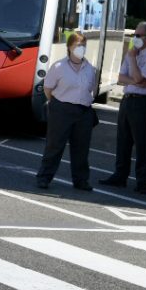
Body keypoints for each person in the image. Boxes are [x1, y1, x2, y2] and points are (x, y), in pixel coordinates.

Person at [101, 21, 146, 194]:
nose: (135, 38)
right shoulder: (131, 53)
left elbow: (141, 80)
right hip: (127, 98)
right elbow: (122, 77)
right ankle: (120, 175)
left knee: (141, 142)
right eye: (134, 35)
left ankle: (142, 181)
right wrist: (135, 77)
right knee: (123, 139)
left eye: (138, 35)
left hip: (142, 102)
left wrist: (132, 61)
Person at [35, 33, 98, 191]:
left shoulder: (90, 68)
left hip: (83, 112)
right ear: (69, 47)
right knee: (55, 146)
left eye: (83, 45)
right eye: (77, 45)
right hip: (62, 109)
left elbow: (90, 90)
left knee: (81, 148)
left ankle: (81, 180)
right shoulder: (58, 67)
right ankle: (44, 177)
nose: (81, 48)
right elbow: (48, 89)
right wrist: (57, 103)